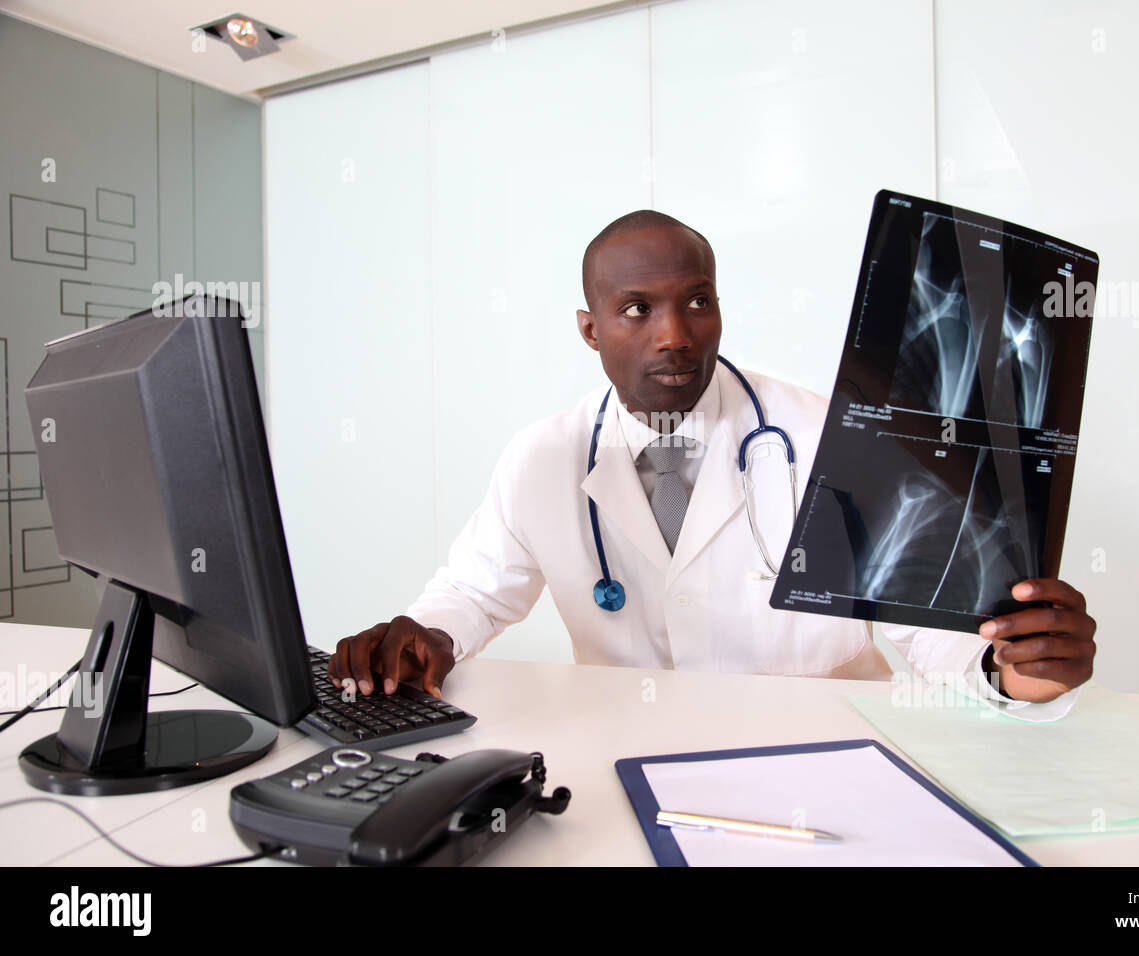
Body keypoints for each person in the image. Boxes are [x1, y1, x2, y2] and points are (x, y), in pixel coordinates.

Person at [329, 210, 1097, 721]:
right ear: (589, 329)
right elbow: (473, 592)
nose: (675, 334)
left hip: (835, 767)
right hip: (632, 758)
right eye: (637, 309)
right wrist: (426, 637)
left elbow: (935, 631)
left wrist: (1013, 671)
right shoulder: (541, 458)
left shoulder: (830, 434)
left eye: (697, 302)